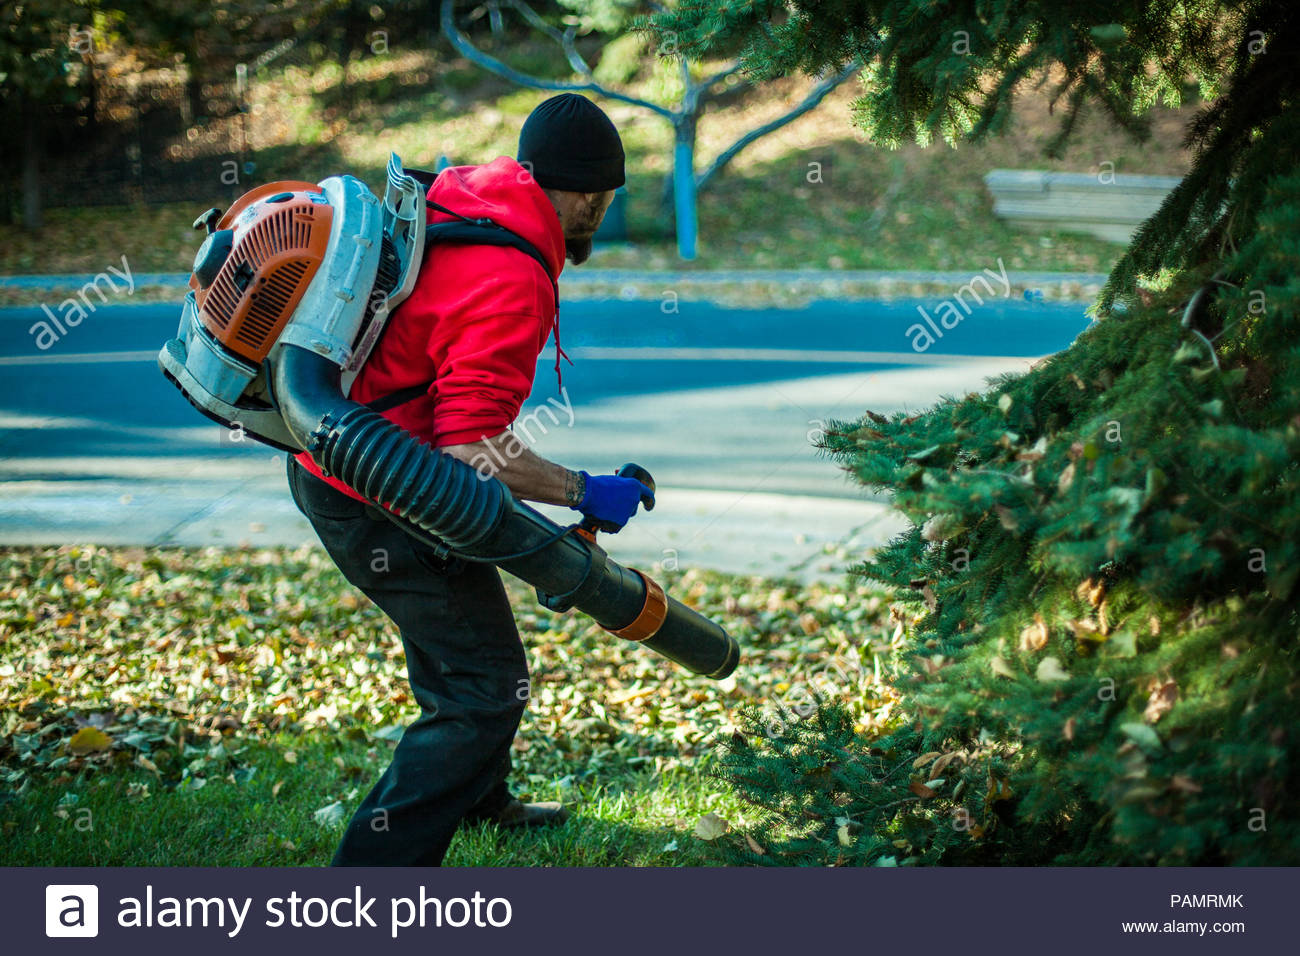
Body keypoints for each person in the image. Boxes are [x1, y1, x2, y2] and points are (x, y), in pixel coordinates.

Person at [285, 93, 654, 866]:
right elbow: (472, 451)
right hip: (379, 489)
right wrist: (585, 492)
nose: (604, 212)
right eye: (607, 198)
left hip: (350, 459)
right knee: (486, 686)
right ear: (586, 195)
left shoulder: (472, 196)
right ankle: (369, 881)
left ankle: (484, 802)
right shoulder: (511, 275)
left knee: (462, 645)